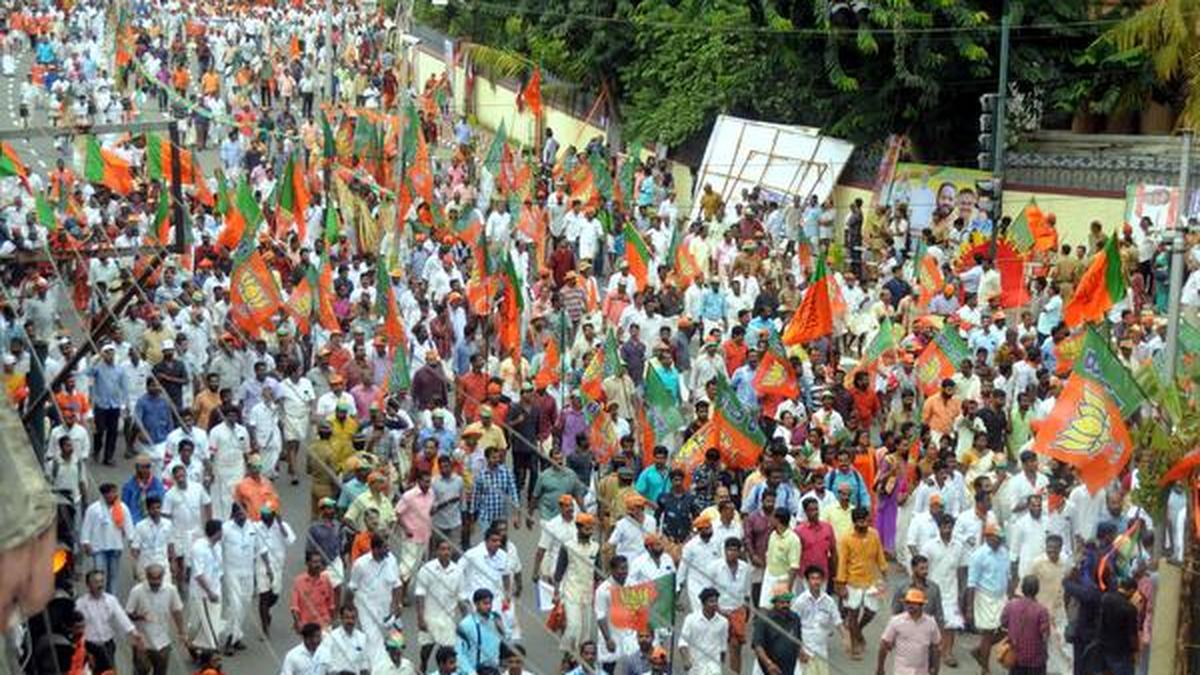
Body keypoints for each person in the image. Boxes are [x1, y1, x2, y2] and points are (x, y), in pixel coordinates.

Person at [837, 506, 887, 659]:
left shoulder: (874, 534)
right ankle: (854, 647)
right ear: (854, 522)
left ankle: (856, 630)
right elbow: (843, 563)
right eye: (860, 521)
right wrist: (841, 584)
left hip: (871, 580)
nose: (864, 524)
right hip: (853, 582)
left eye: (866, 521)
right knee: (853, 613)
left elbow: (880, 555)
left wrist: (884, 573)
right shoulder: (846, 538)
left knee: (871, 612)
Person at [125, 563, 187, 675]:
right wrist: (140, 616)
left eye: (158, 581)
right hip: (142, 642)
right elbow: (128, 614)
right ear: (147, 577)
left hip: (163, 641)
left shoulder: (171, 590)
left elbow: (177, 611)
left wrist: (182, 632)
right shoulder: (137, 591)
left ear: (163, 577)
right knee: (141, 671)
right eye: (152, 581)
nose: (155, 585)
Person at [76, 569, 144, 672]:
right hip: (89, 648)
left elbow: (122, 618)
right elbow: (75, 627)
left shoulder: (111, 600)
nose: (100, 585)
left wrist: (134, 633)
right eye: (96, 582)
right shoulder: (80, 604)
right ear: (88, 585)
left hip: (108, 646)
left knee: (109, 671)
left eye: (101, 581)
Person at [966, 523, 1011, 674]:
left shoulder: (1004, 552)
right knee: (988, 633)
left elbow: (1008, 576)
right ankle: (984, 668)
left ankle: (979, 650)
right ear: (988, 537)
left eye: (1000, 538)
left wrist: (1010, 598)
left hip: (1001, 596)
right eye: (997, 538)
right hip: (985, 597)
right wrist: (970, 609)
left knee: (1008, 629)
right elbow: (971, 583)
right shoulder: (978, 555)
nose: (999, 541)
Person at [416, 538, 466, 672]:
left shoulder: (458, 571)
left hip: (448, 619)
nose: (446, 552)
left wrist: (467, 620)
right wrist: (420, 618)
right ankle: (423, 669)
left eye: (448, 549)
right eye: (442, 549)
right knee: (425, 652)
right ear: (436, 551)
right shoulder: (426, 569)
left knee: (448, 654)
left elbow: (462, 597)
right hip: (429, 617)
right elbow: (420, 594)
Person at [792, 566, 843, 675]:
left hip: (821, 651)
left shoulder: (829, 601)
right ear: (807, 581)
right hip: (805, 650)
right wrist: (798, 650)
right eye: (813, 578)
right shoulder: (800, 601)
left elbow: (837, 620)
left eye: (818, 578)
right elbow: (793, 626)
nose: (816, 582)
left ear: (823, 580)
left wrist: (846, 638)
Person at [877, 588, 941, 675]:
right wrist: (880, 668)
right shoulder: (896, 621)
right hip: (902, 670)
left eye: (914, 603)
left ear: (921, 605)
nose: (910, 605)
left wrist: (935, 668)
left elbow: (936, 647)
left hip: (922, 671)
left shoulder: (931, 623)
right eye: (908, 602)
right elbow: (884, 645)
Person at [1000, 576, 1051, 675]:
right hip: (1035, 660)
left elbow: (1003, 622)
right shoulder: (1042, 610)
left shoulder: (1011, 605)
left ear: (1022, 589)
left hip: (1015, 656)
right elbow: (1045, 635)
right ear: (1037, 590)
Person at [456, 588, 507, 674]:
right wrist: (470, 672)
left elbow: (507, 643)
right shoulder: (466, 625)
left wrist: (503, 631)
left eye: (490, 603)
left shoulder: (496, 620)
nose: (489, 606)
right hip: (473, 671)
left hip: (493, 670)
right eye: (485, 603)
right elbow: (459, 653)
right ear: (476, 604)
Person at [679, 588, 729, 675]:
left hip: (714, 668)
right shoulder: (691, 619)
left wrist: (720, 665)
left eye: (716, 601)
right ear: (703, 603)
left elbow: (723, 647)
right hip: (696, 667)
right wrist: (686, 660)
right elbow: (682, 642)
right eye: (711, 601)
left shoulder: (723, 622)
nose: (714, 604)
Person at [316, 604, 372, 675]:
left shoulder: (362, 637)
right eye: (347, 618)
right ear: (341, 618)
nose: (350, 621)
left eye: (353, 618)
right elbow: (324, 663)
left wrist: (365, 670)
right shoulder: (331, 637)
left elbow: (365, 661)